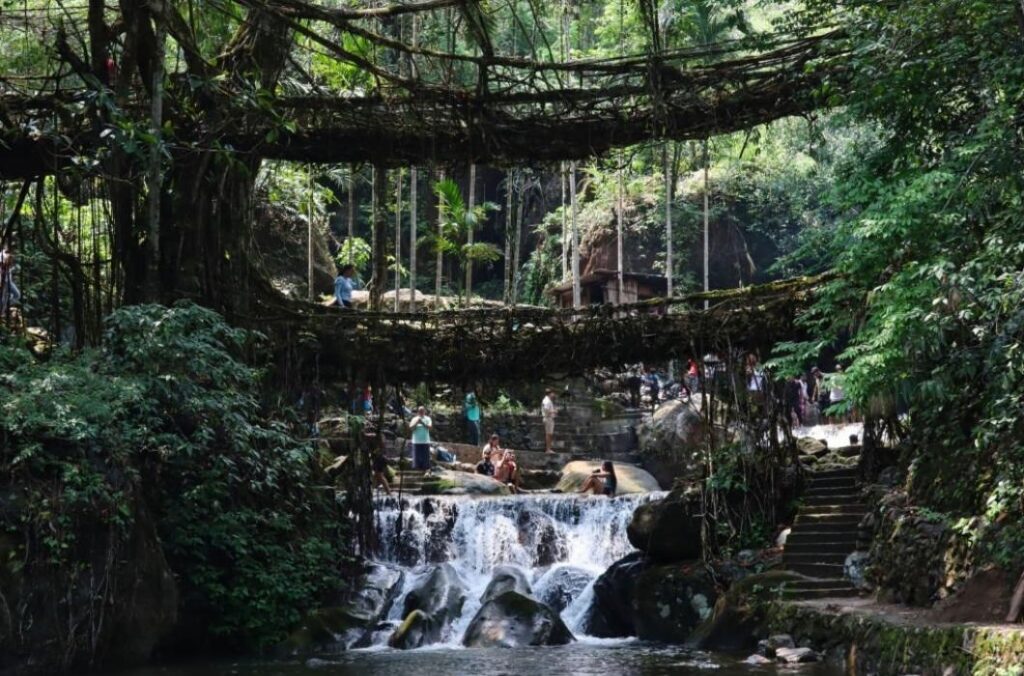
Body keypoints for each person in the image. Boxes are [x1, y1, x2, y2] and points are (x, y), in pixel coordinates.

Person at [409, 406, 433, 470]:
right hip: (416, 442)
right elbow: (411, 428)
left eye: (422, 411)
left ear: (424, 411)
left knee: (425, 460)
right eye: (420, 411)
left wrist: (422, 423)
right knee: (416, 460)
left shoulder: (428, 419)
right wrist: (417, 422)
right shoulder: (414, 419)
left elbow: (430, 427)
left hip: (425, 441)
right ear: (418, 412)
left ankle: (425, 471)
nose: (421, 412)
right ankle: (416, 471)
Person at [0, 246, 20, 316]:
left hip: (8, 280)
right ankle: (2, 312)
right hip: (3, 281)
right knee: (3, 299)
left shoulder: (9, 254)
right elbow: (2, 266)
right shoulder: (2, 255)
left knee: (17, 295)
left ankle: (4, 307)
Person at [541, 388, 557, 453]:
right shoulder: (546, 400)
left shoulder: (548, 400)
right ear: (550, 393)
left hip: (549, 418)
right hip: (548, 418)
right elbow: (546, 410)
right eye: (553, 393)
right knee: (548, 434)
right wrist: (554, 411)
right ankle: (548, 449)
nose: (554, 394)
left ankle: (549, 449)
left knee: (550, 434)